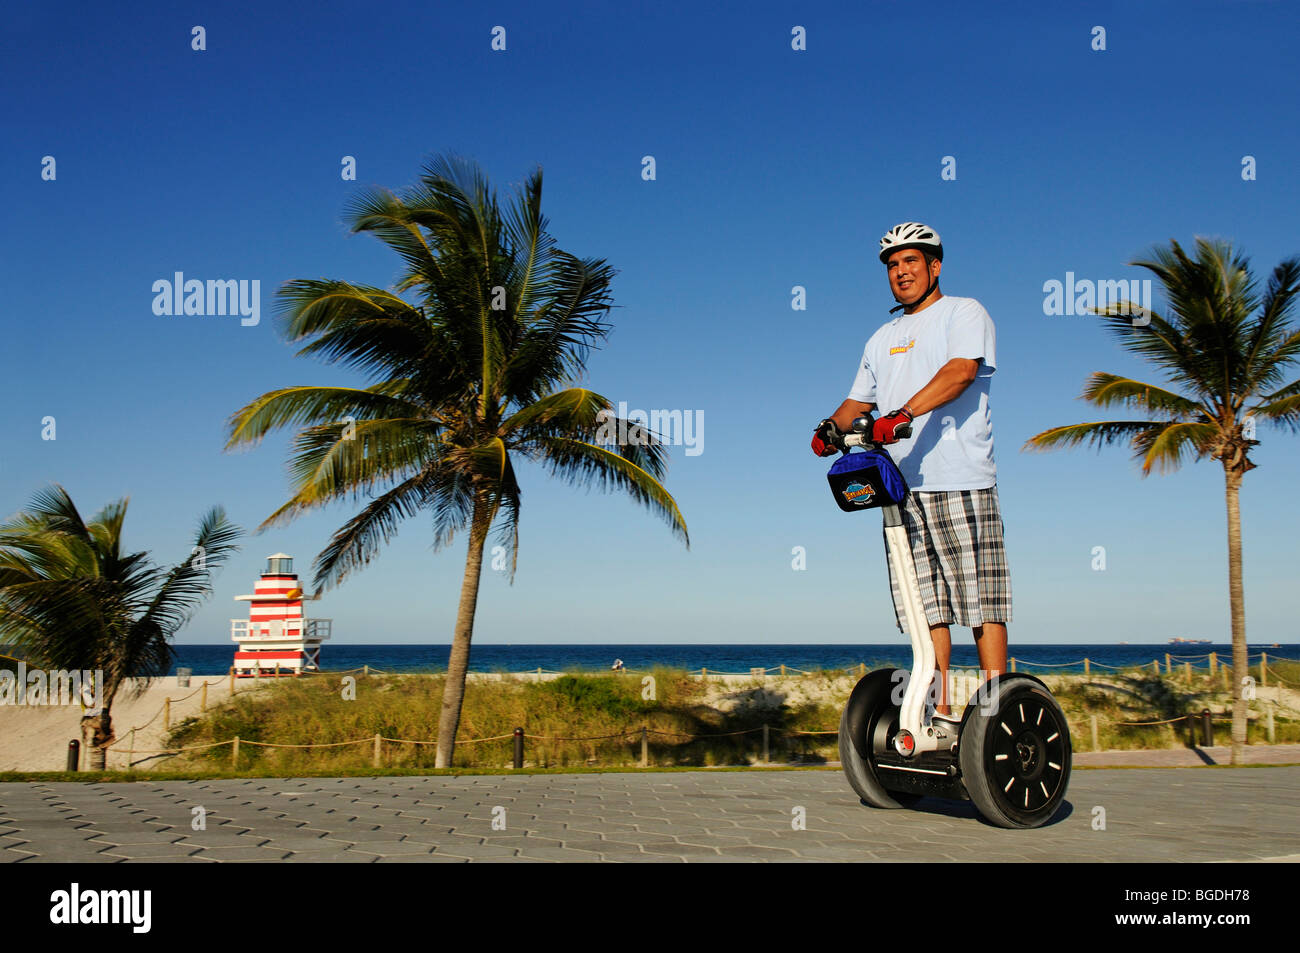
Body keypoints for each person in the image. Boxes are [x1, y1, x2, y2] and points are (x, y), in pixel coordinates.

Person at [811, 222, 1010, 719]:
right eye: (893, 265)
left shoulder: (963, 312)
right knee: (927, 605)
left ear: (934, 266)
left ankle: (995, 709)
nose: (901, 271)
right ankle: (939, 712)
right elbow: (857, 401)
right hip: (898, 487)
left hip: (960, 476)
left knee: (981, 598)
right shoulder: (882, 337)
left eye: (911, 262)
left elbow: (961, 372)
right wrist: (826, 431)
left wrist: (902, 415)